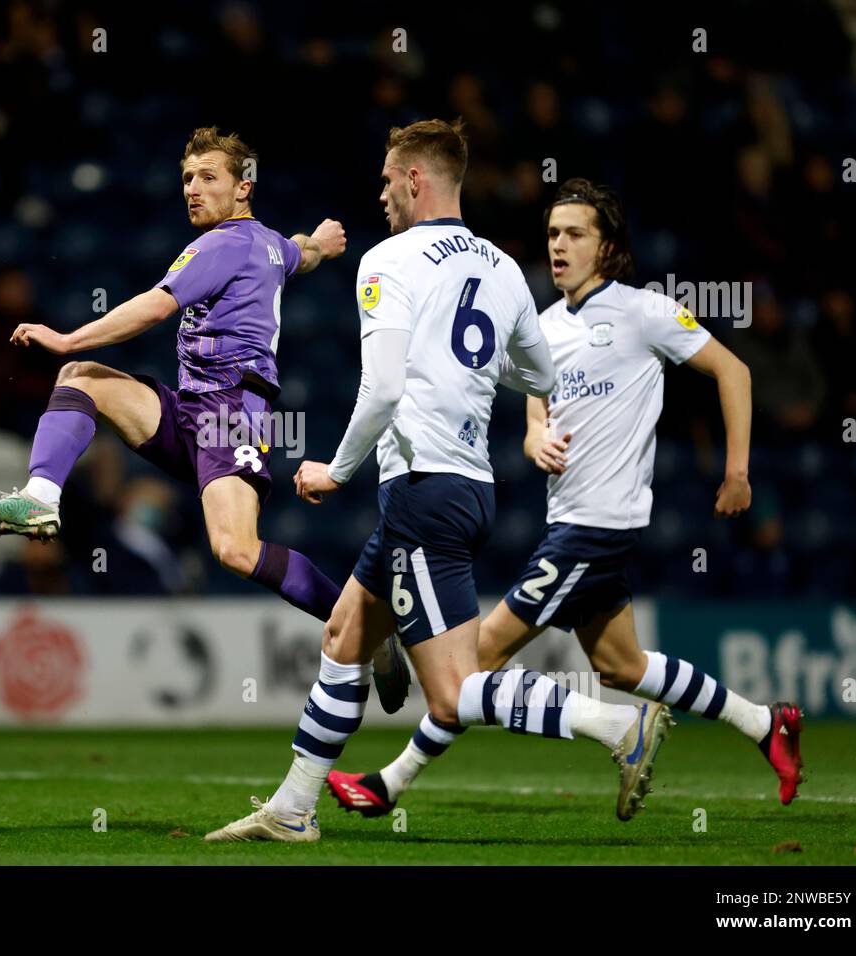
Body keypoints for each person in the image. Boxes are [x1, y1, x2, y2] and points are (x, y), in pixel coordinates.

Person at [205, 121, 668, 844]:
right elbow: (542, 376)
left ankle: (616, 722)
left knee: (453, 693)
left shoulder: (389, 259)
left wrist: (338, 468)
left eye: (389, 179)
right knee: (343, 635)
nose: (382, 191)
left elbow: (385, 388)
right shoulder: (504, 267)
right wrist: (472, 370)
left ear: (417, 179)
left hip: (423, 491)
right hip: (468, 486)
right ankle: (293, 809)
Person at [328, 179, 803, 825]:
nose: (559, 246)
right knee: (620, 664)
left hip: (596, 527)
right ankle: (766, 722)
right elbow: (533, 405)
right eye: (553, 233)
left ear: (607, 247)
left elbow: (734, 371)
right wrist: (533, 434)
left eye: (575, 234)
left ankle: (391, 781)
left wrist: (738, 471)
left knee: (475, 666)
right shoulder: (544, 327)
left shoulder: (644, 312)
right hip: (571, 521)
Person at [0, 126, 351, 624]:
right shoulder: (269, 244)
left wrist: (66, 338)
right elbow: (301, 252)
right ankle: (40, 498)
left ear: (243, 187)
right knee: (80, 378)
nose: (192, 188)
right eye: (188, 177)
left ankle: (352, 620)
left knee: (234, 550)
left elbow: (153, 307)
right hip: (191, 408)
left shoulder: (222, 244)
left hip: (230, 419)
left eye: (209, 177)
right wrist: (318, 242)